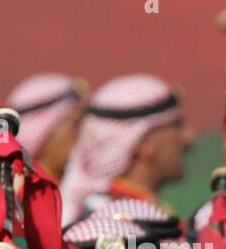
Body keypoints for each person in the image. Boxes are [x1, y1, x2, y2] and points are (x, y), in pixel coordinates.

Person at [59, 74, 192, 224]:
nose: (189, 138)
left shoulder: (151, 212)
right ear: (145, 145)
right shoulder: (110, 224)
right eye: (177, 127)